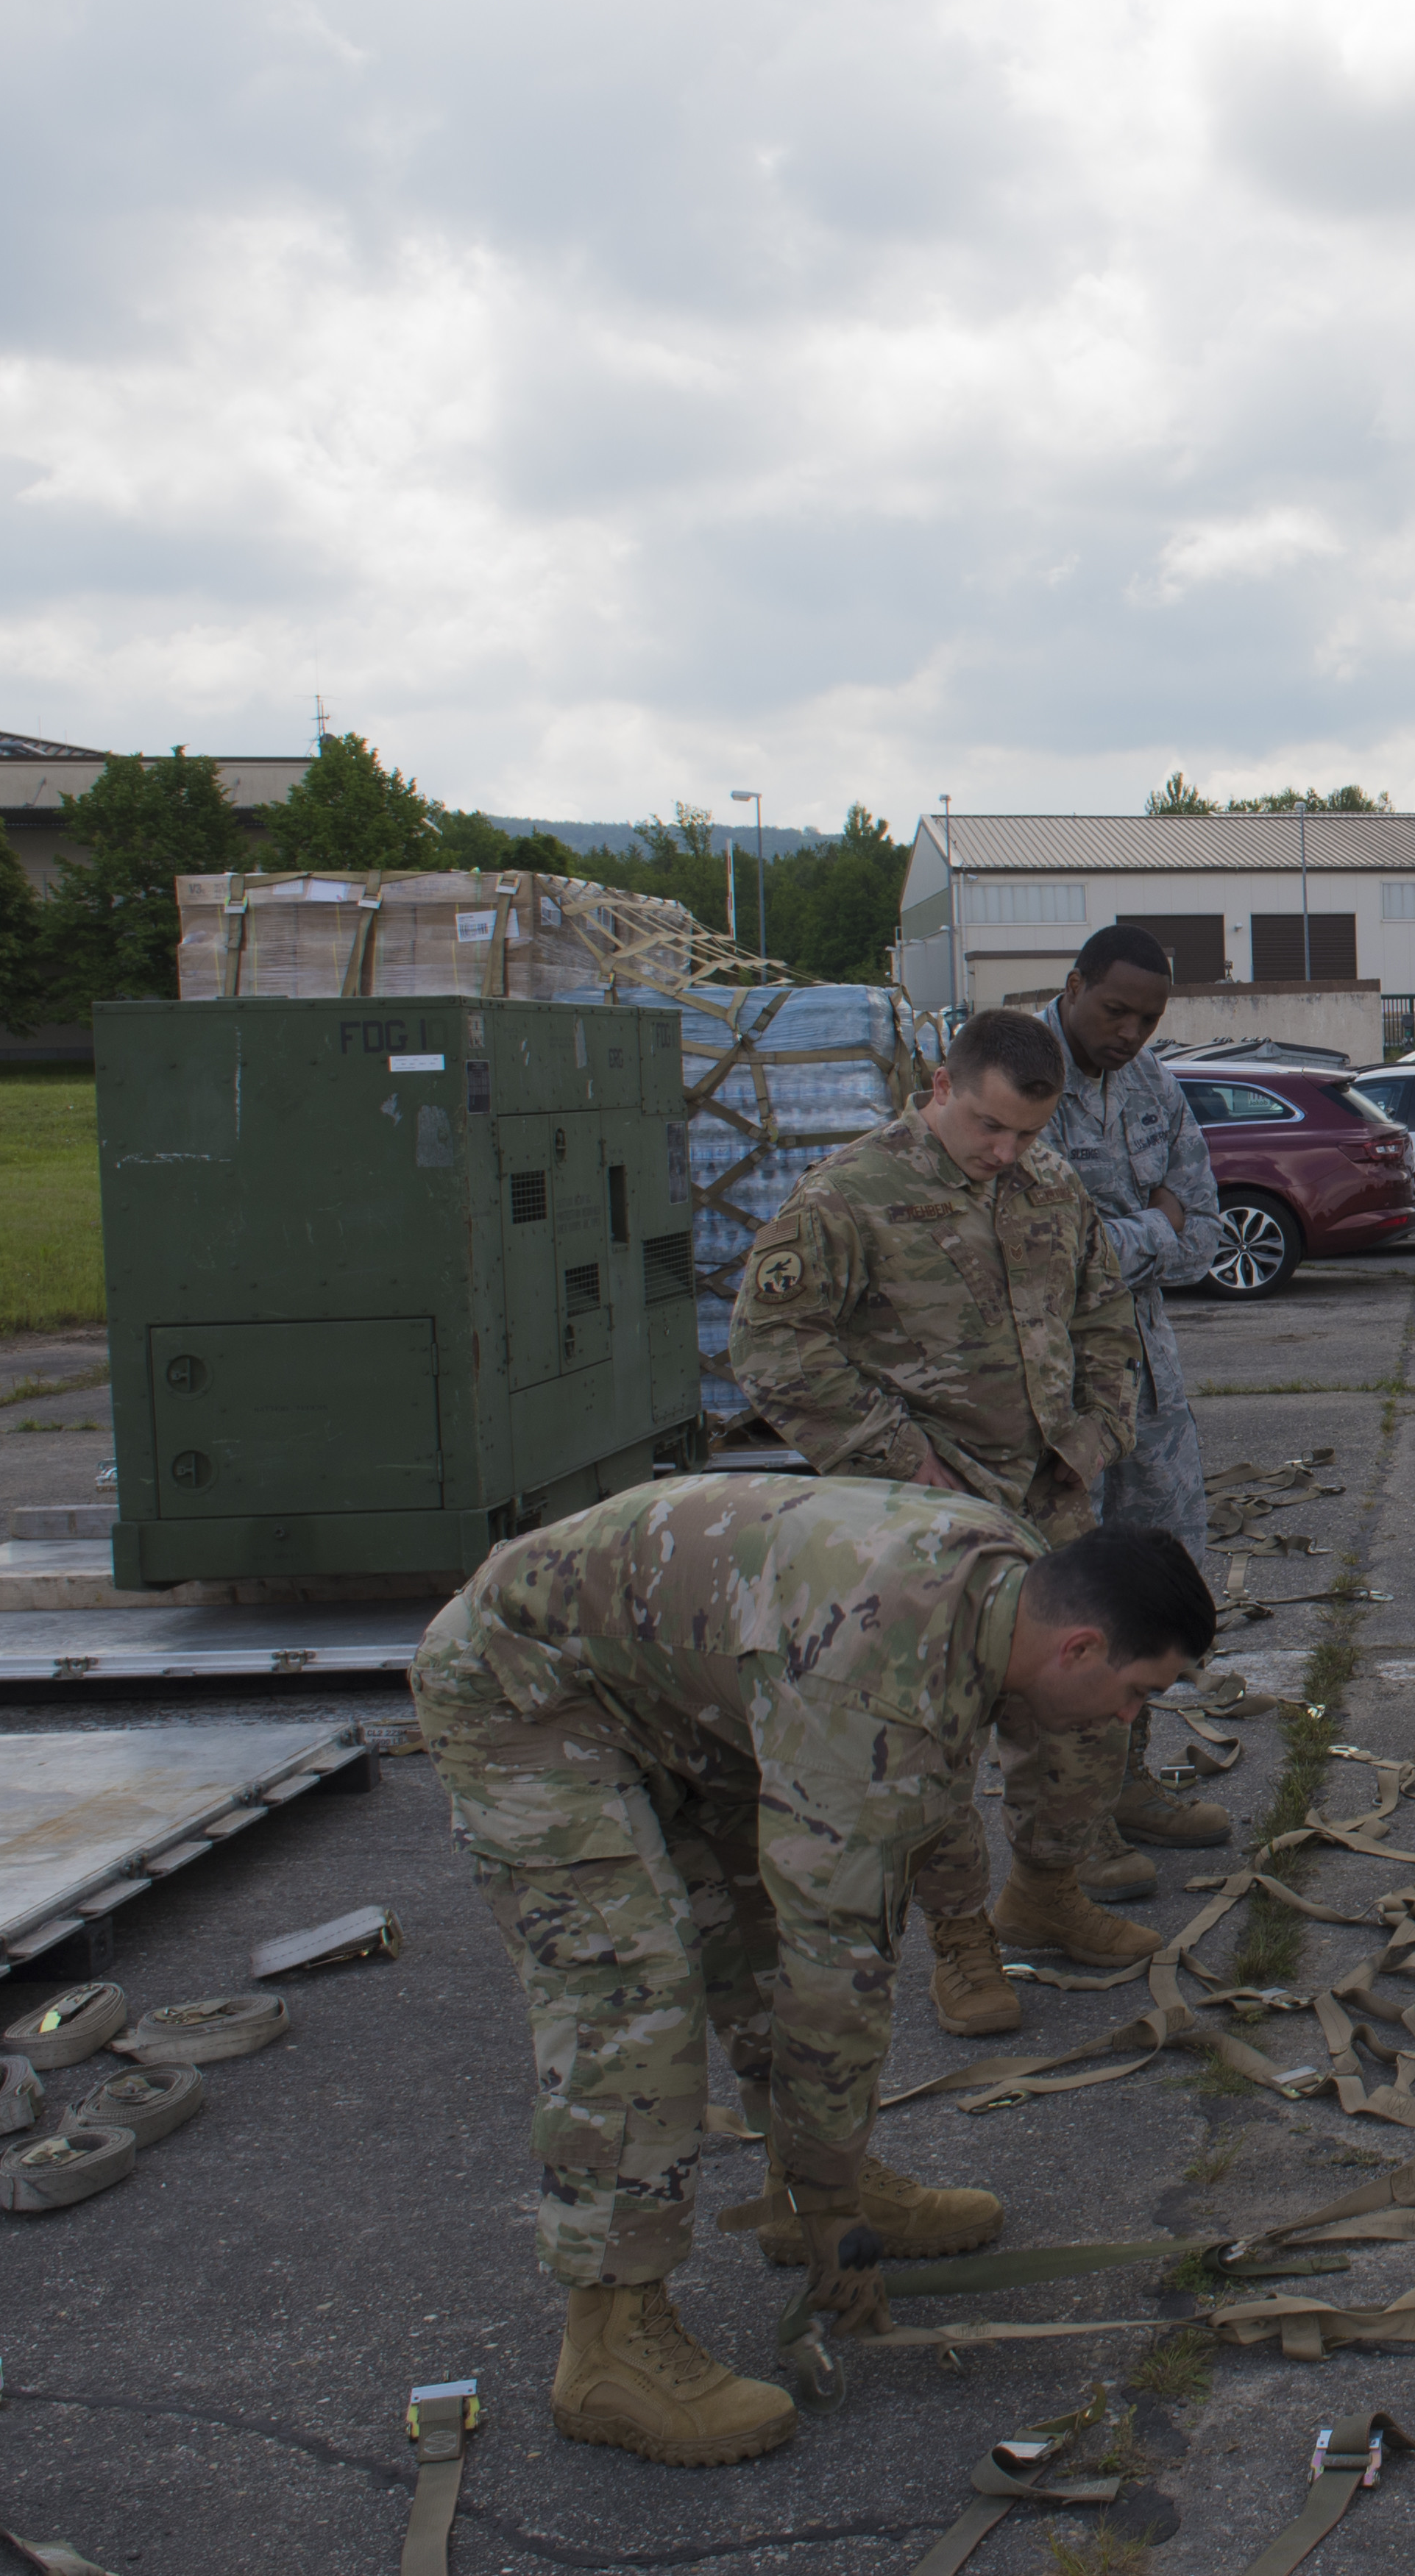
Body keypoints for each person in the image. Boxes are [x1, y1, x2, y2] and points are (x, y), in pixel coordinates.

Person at [415, 1477, 1212, 2465]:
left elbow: (859, 1867)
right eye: (1138, 1694)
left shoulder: (1004, 1578)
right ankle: (610, 2344)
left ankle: (801, 2184)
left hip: (676, 1689)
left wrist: (824, 2177)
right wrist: (842, 2207)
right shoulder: (873, 1683)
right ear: (1079, 1648)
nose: (1125, 1721)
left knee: (748, 1913)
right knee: (631, 1989)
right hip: (522, 1690)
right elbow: (836, 1969)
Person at [726, 1007, 1154, 2025]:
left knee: (1082, 1714)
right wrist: (906, 1463)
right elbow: (774, 1349)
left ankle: (1046, 1893)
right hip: (915, 1519)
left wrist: (1092, 1438)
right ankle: (962, 1945)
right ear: (938, 1085)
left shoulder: (1049, 1186)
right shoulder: (849, 1196)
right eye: (988, 1129)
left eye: (1027, 1135)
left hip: (1047, 1499)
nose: (1004, 1154)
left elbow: (1104, 1314)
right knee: (929, 1740)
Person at [1033, 926, 1238, 1893]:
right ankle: (1069, 1832)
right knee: (1068, 1605)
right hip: (1051, 1398)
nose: (1129, 1031)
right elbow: (1035, 1249)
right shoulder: (1016, 1075)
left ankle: (1131, 1786)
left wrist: (1142, 1233)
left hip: (1148, 1389)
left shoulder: (1155, 1087)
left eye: (1148, 1018)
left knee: (1154, 1593)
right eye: (1114, 1010)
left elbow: (1202, 1238)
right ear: (1073, 986)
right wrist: (1147, 1224)